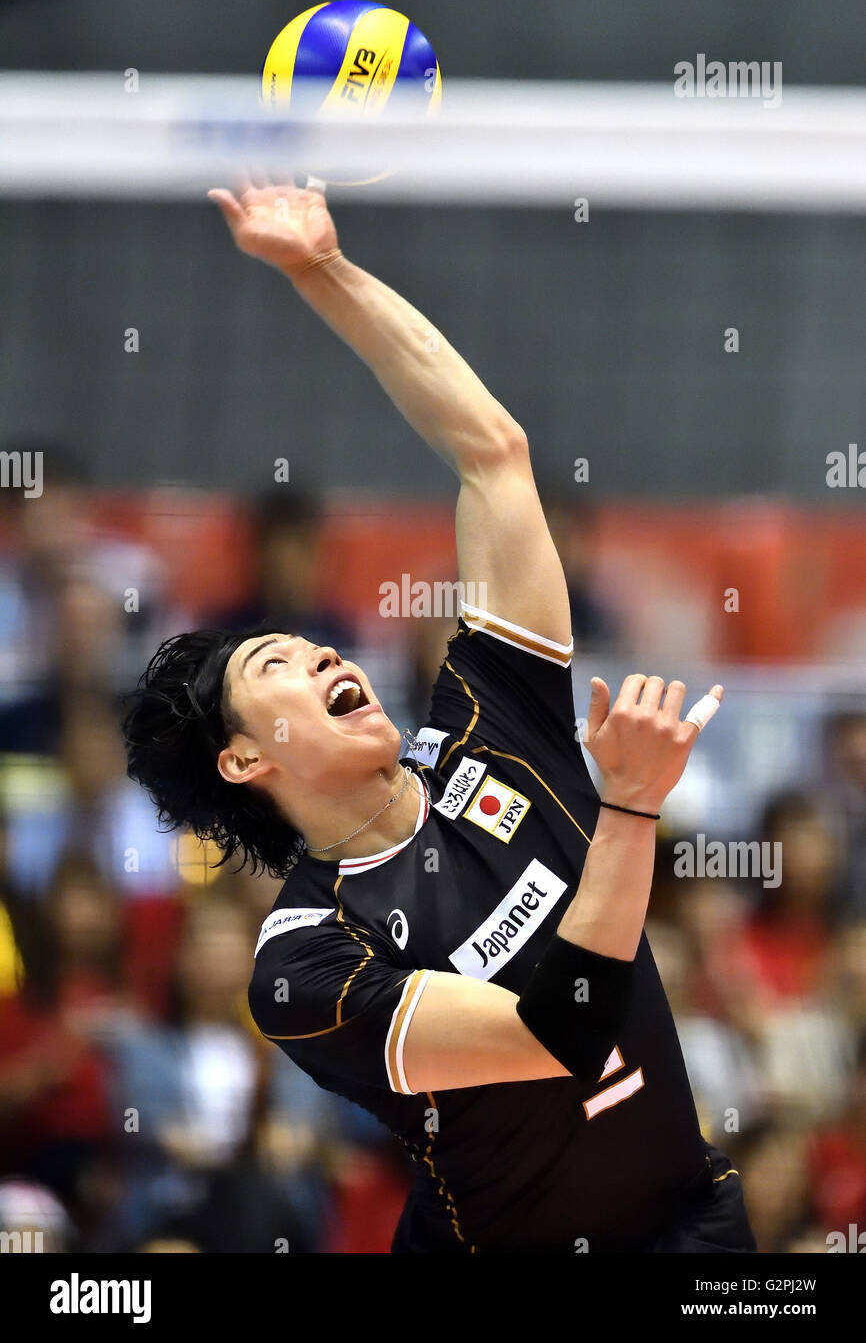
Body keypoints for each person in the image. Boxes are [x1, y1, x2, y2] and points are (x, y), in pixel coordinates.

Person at [122, 184, 755, 1254]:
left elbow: (490, 452)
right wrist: (628, 811)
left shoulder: (487, 721)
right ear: (241, 759)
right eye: (277, 663)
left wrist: (318, 269)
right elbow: (556, 1030)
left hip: (691, 1227)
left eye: (310, 642)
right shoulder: (305, 962)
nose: (322, 650)